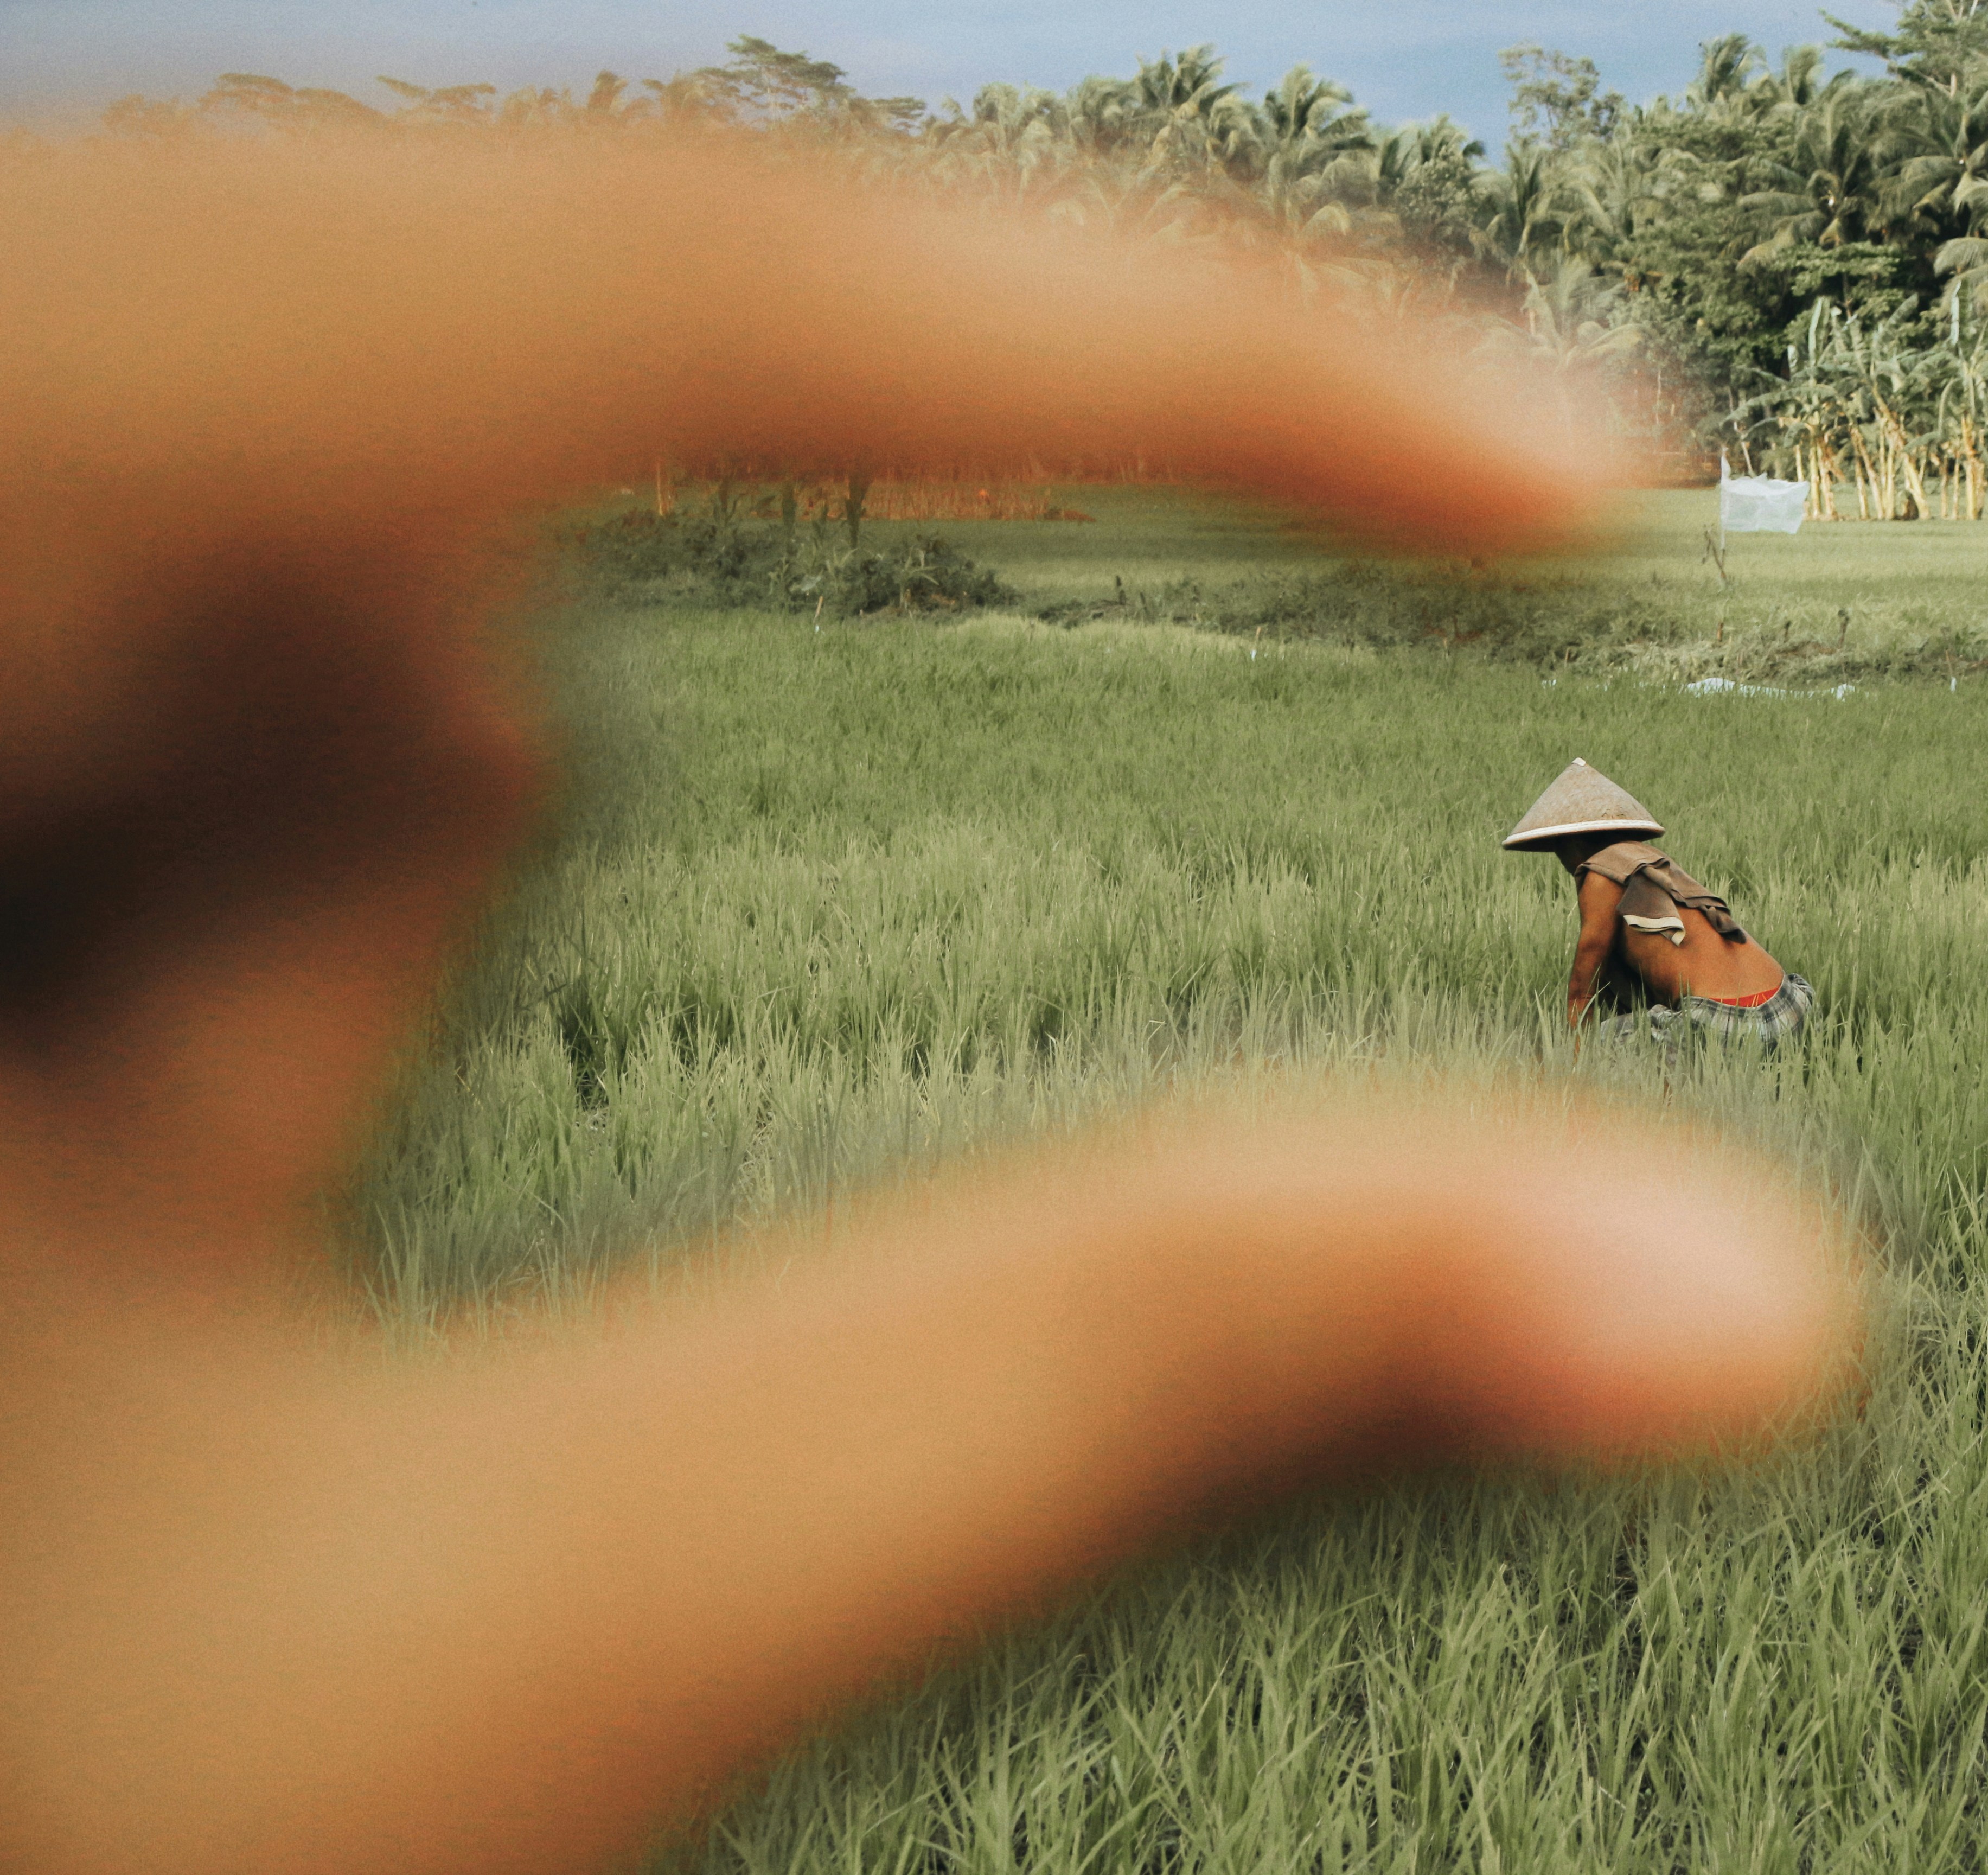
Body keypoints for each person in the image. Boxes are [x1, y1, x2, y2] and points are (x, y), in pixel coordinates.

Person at [0, 133, 1859, 1875]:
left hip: (1743, 1032)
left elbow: (1593, 992)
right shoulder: (1678, 871)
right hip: (1774, 1011)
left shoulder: (1610, 893)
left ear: (1575, 853)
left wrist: (1568, 1042)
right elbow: (1730, 963)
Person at [1504, 760, 1814, 1050]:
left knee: (1598, 1047)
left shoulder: (1599, 873)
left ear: (1570, 843)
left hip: (1725, 1022)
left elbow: (1582, 992)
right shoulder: (1651, 864)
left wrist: (1572, 1069)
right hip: (1790, 1005)